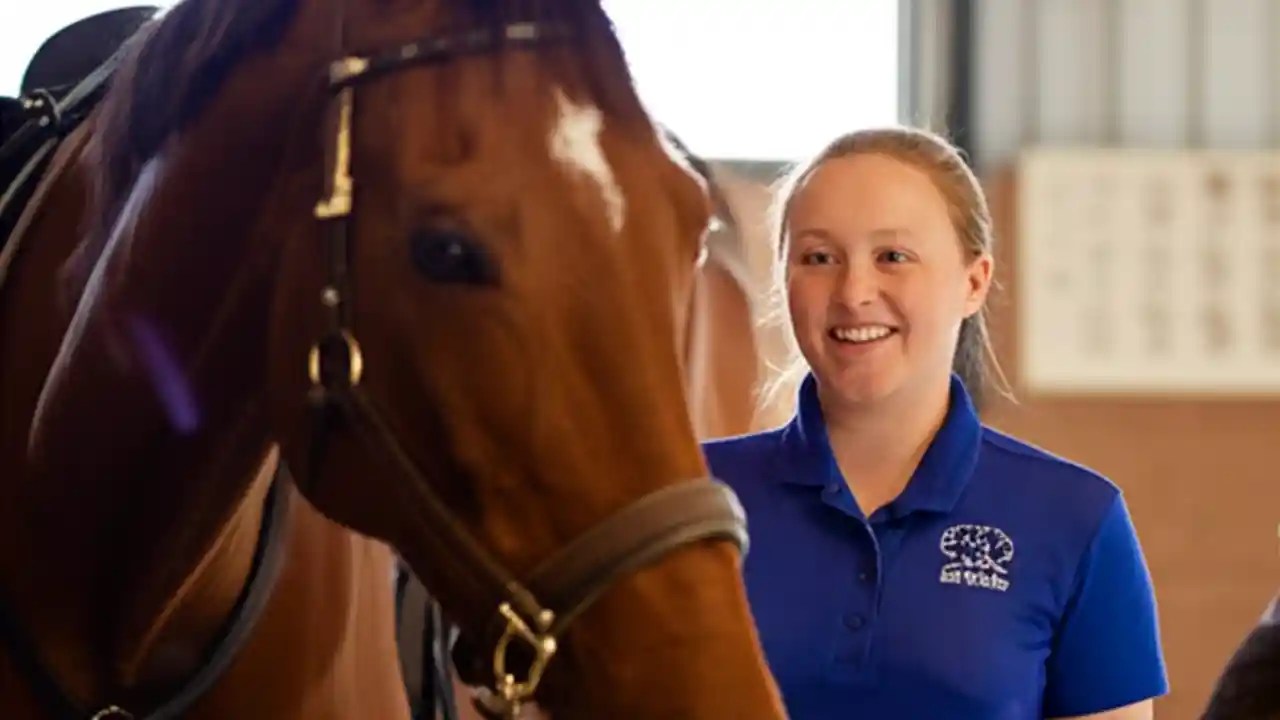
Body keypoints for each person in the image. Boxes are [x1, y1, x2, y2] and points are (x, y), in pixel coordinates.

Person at [704, 126, 1168, 719]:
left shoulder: (1075, 518)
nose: (854, 291)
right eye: (819, 258)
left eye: (893, 257)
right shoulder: (694, 499)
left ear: (973, 282)